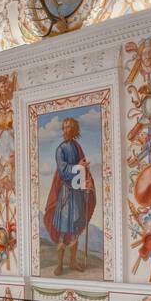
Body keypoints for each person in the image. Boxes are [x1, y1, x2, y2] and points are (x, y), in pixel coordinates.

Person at [42, 117, 94, 275]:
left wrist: (87, 181)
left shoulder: (77, 147)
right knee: (64, 230)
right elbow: (63, 170)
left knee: (75, 229)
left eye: (70, 127)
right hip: (65, 194)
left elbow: (83, 168)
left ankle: (72, 262)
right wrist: (79, 167)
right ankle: (59, 265)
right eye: (64, 127)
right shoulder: (61, 149)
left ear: (75, 130)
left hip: (77, 192)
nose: (66, 130)